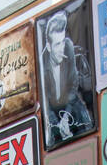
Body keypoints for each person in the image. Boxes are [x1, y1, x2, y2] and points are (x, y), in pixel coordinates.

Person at [39, 9, 93, 148]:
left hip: (70, 104)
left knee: (87, 125)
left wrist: (66, 116)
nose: (61, 48)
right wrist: (58, 124)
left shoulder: (68, 47)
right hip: (52, 114)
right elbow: (45, 104)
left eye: (62, 42)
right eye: (57, 44)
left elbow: (73, 86)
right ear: (49, 47)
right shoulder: (41, 64)